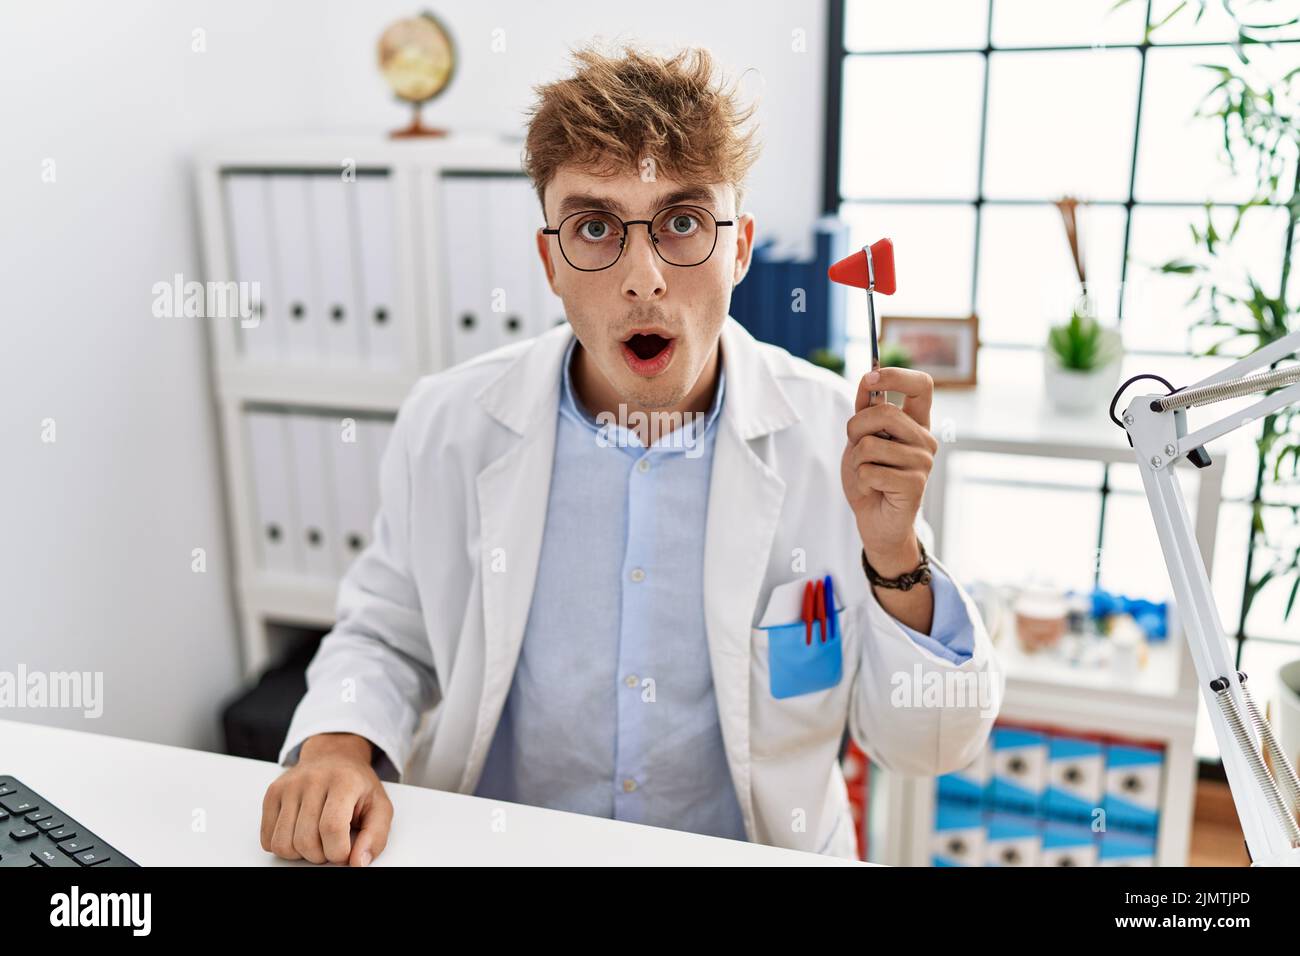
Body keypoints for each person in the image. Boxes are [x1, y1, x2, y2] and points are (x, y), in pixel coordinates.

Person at [260, 44, 1002, 866]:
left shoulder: (839, 440)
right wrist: (337, 745)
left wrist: (896, 555)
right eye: (594, 227)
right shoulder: (449, 424)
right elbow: (386, 634)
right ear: (549, 261)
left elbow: (928, 746)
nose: (643, 278)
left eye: (683, 223)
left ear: (741, 248)